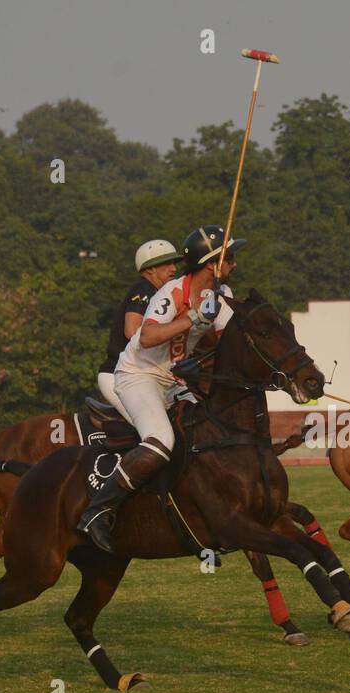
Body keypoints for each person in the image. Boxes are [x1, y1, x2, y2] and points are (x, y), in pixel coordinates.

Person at [76, 225, 245, 552]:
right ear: (211, 263)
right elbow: (147, 336)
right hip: (136, 375)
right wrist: (194, 318)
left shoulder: (219, 299)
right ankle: (97, 510)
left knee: (207, 432)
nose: (234, 264)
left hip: (171, 380)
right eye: (229, 257)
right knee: (161, 441)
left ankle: (198, 513)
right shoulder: (171, 292)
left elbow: (230, 344)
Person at [97, 240, 185, 417]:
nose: (174, 269)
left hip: (141, 377)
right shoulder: (145, 289)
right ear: (150, 269)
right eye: (166, 264)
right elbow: (132, 331)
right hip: (119, 376)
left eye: (174, 263)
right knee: (154, 432)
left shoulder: (160, 295)